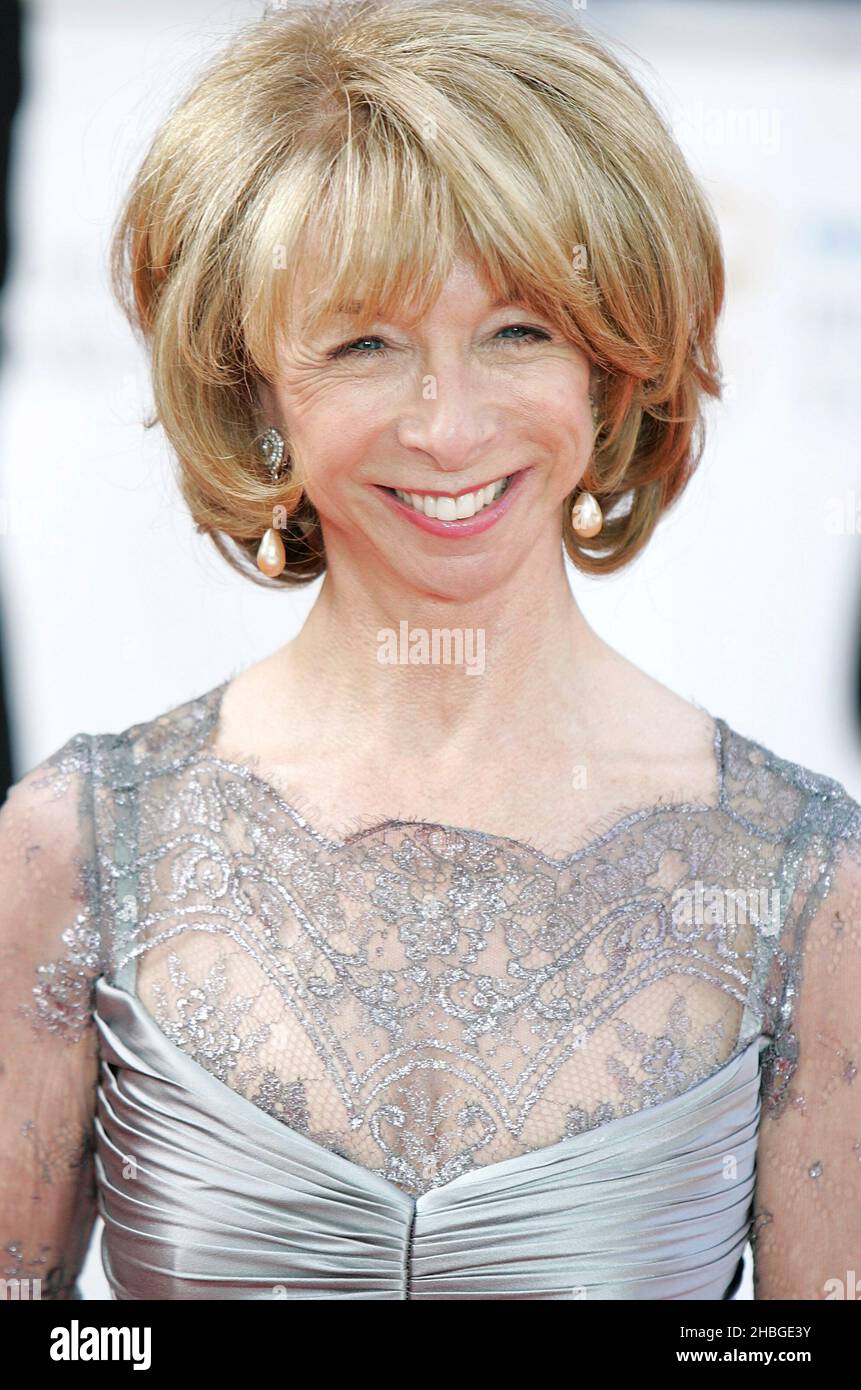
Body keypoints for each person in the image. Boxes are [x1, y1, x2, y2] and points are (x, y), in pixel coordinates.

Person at [1, 0, 859, 1302]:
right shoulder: (76, 852)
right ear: (254, 394)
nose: (446, 426)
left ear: (612, 371)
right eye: (364, 344)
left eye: (518, 332)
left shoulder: (801, 884)